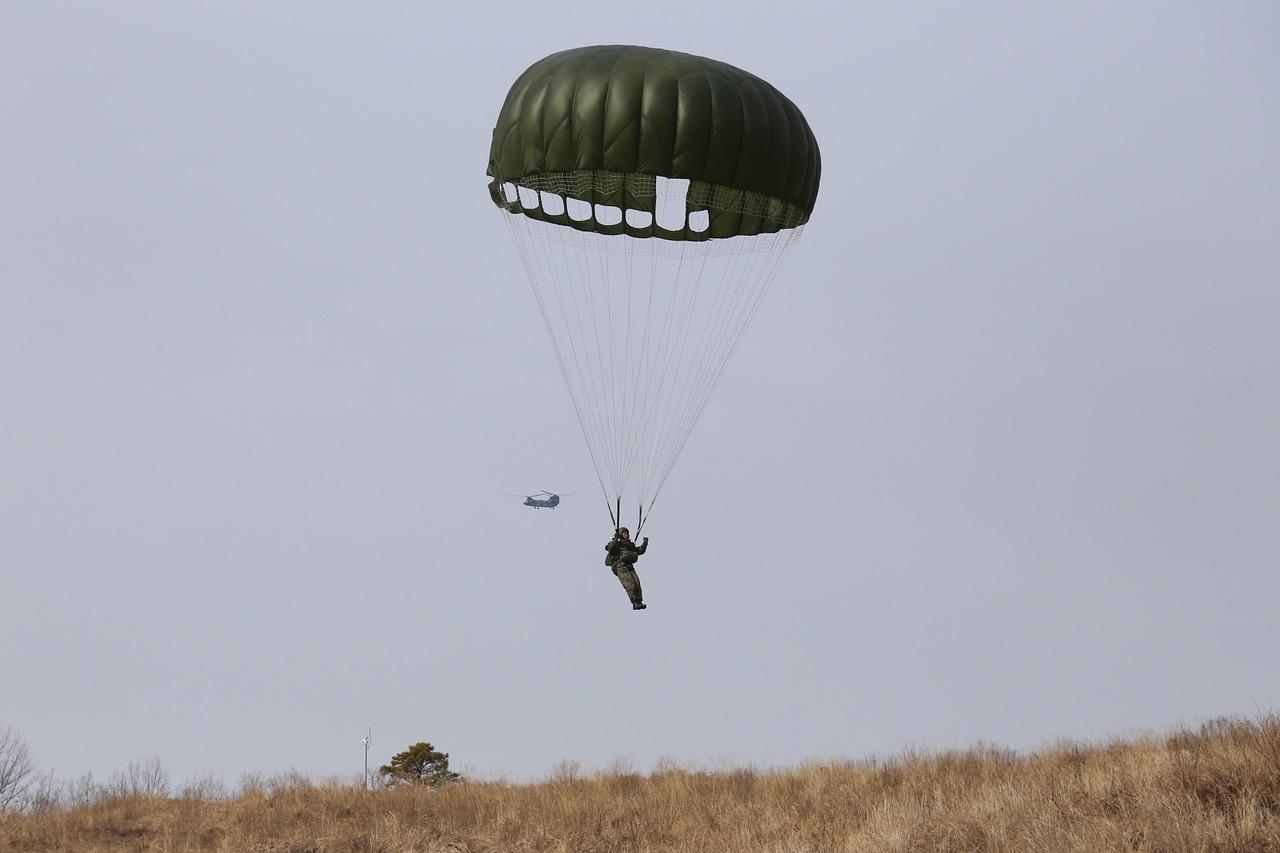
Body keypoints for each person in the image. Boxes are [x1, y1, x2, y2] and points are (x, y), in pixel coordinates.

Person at [605, 527, 649, 610]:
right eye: (625, 533)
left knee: (637, 583)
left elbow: (639, 551)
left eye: (627, 533)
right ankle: (634, 602)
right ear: (621, 534)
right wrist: (616, 539)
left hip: (629, 566)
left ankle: (639, 602)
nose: (627, 535)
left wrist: (645, 543)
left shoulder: (629, 545)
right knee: (630, 584)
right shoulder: (617, 543)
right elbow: (610, 548)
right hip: (620, 566)